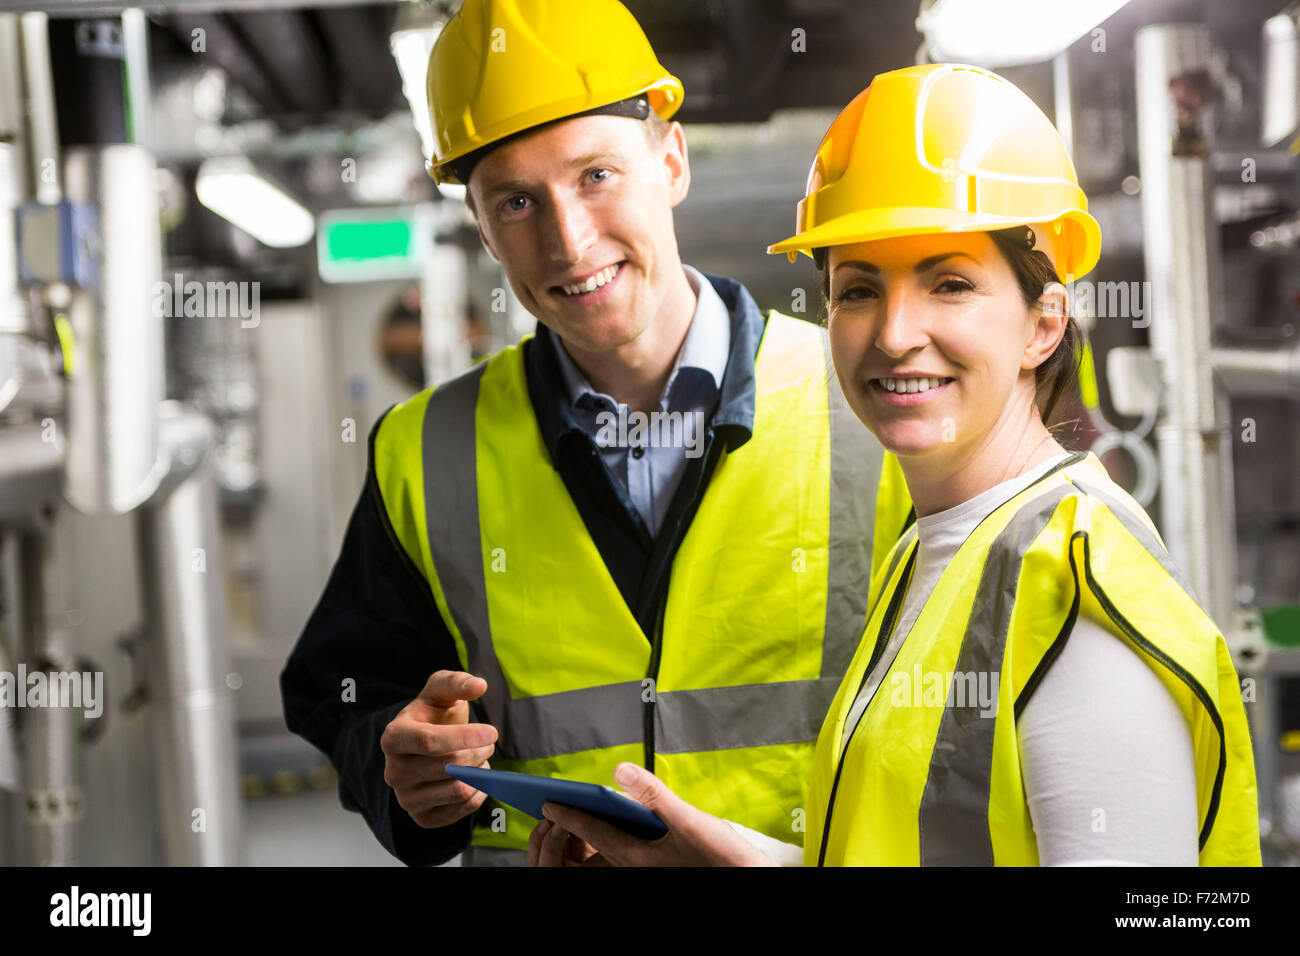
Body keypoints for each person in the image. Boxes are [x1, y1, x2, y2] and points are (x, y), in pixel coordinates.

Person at [531, 63, 1262, 867]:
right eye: (858, 291)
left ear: (1043, 324)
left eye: (949, 284)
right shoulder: (935, 553)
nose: (894, 334)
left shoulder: (1072, 584)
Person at [279, 0, 911, 867]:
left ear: (672, 159)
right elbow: (339, 694)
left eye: (596, 176)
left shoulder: (870, 403)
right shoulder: (424, 450)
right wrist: (399, 762)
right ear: (483, 228)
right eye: (515, 201)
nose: (569, 242)